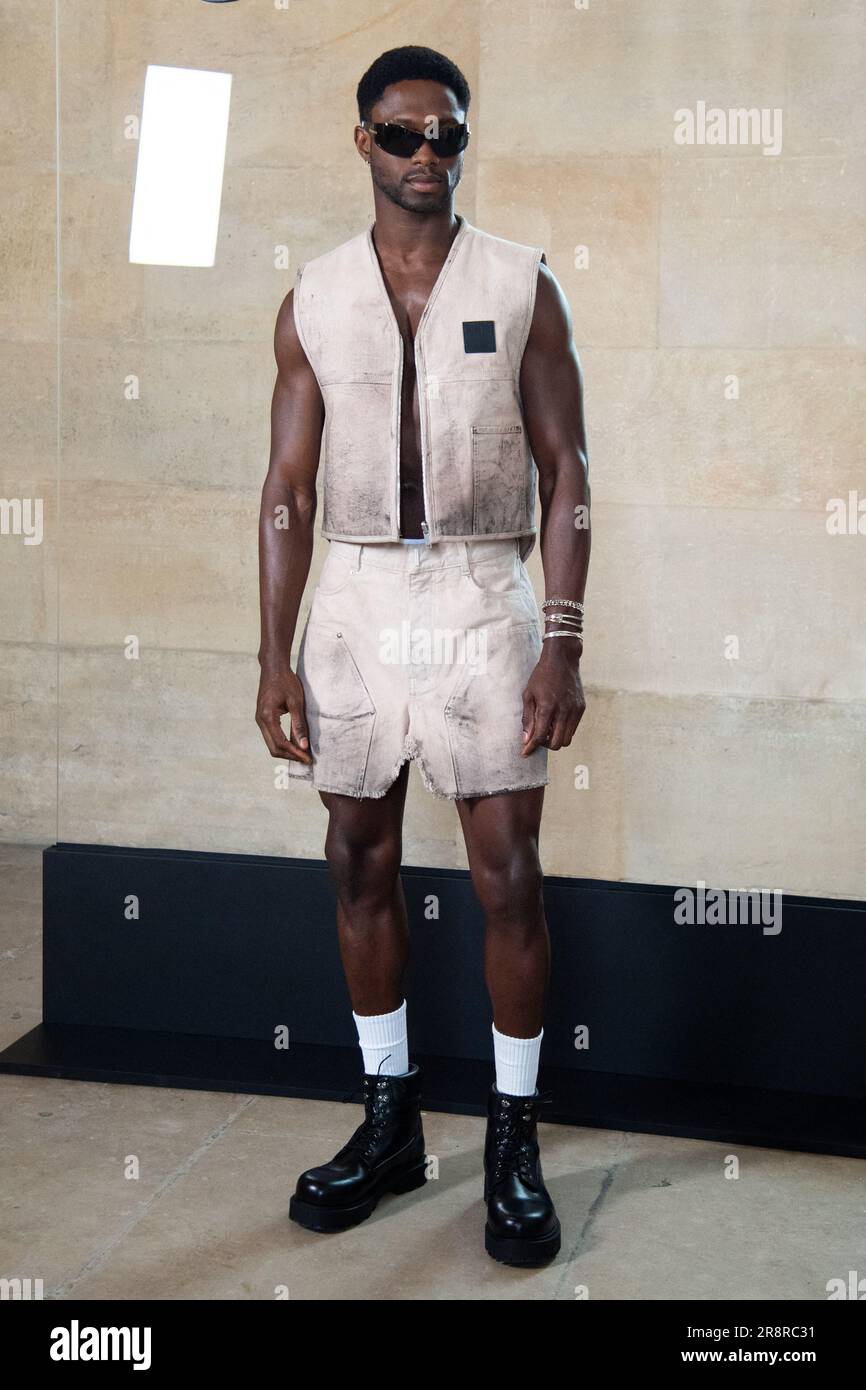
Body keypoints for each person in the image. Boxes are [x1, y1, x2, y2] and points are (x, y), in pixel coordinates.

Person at [256, 45, 589, 1266]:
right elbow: (285, 488)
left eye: (445, 136)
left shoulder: (521, 281)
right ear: (363, 143)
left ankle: (511, 1137)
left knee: (507, 873)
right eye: (401, 135)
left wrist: (556, 640)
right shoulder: (312, 295)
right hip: (350, 590)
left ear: (462, 143)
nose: (424, 157)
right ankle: (390, 1117)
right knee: (358, 858)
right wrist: (272, 655)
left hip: (476, 591)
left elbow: (568, 472)